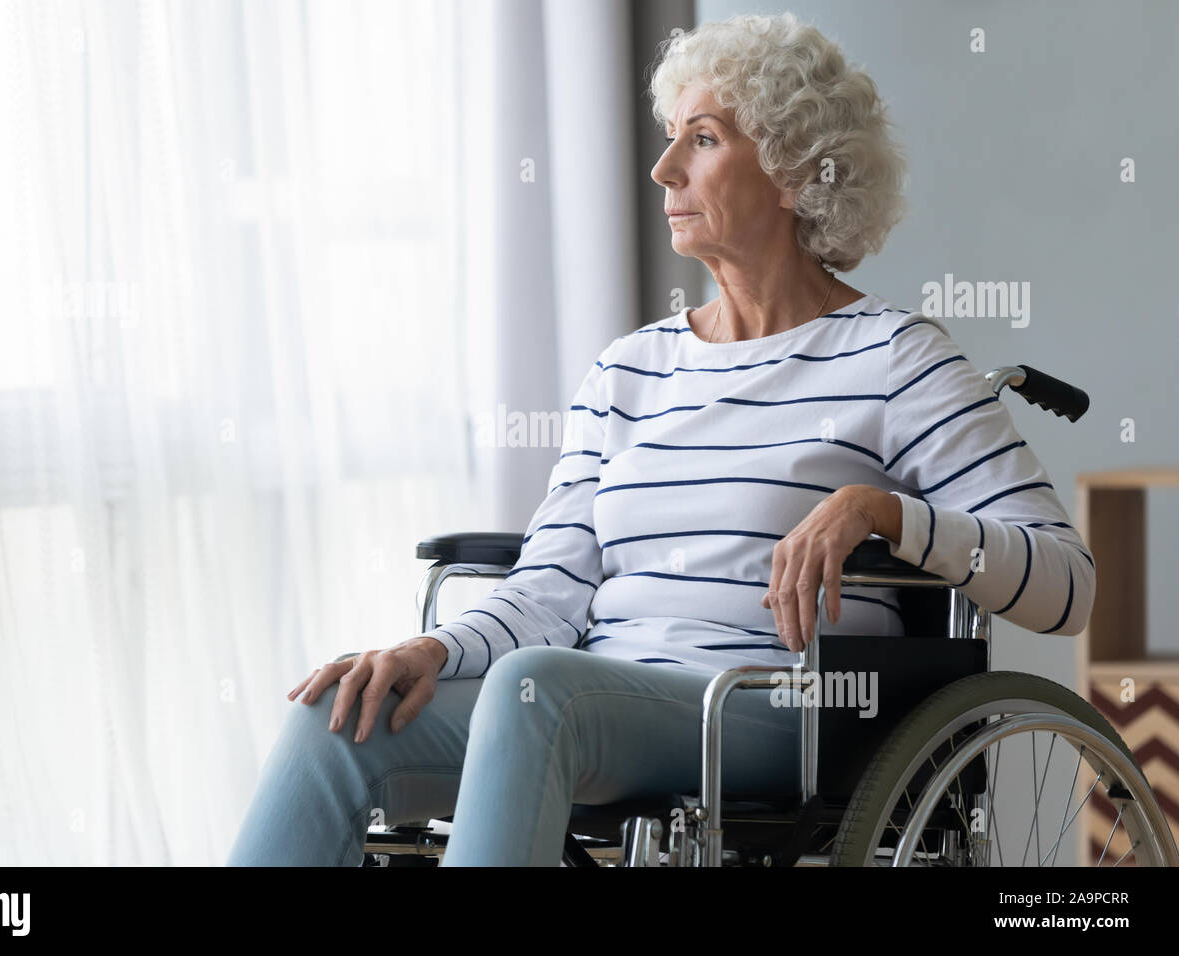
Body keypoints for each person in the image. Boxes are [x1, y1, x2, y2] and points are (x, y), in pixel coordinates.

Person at [226, 12, 1094, 867]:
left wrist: (883, 511)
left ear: (794, 172)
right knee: (335, 716)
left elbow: (1066, 586)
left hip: (778, 706)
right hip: (583, 701)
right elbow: (548, 594)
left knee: (537, 691)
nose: (663, 167)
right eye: (670, 136)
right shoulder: (629, 370)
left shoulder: (895, 358)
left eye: (703, 139)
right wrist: (432, 649)